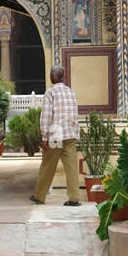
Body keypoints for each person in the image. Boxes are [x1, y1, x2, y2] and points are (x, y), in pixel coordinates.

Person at [30, 65, 81, 206]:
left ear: (52, 78)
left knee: (48, 165)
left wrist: (44, 137)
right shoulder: (70, 92)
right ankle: (74, 198)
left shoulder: (50, 92)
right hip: (70, 132)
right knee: (71, 167)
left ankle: (39, 196)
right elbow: (75, 113)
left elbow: (46, 116)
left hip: (56, 133)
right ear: (63, 77)